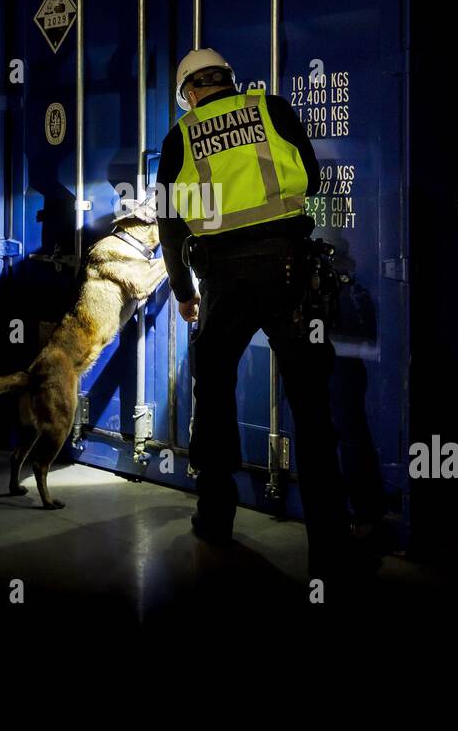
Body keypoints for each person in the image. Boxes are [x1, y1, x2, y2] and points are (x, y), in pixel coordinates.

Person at [156, 48, 361, 580]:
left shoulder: (182, 135)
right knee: (312, 406)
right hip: (289, 272)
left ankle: (216, 517)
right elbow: (312, 182)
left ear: (190, 93)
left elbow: (169, 222)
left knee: (215, 391)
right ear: (227, 80)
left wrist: (183, 289)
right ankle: (330, 546)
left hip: (223, 281)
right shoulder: (271, 108)